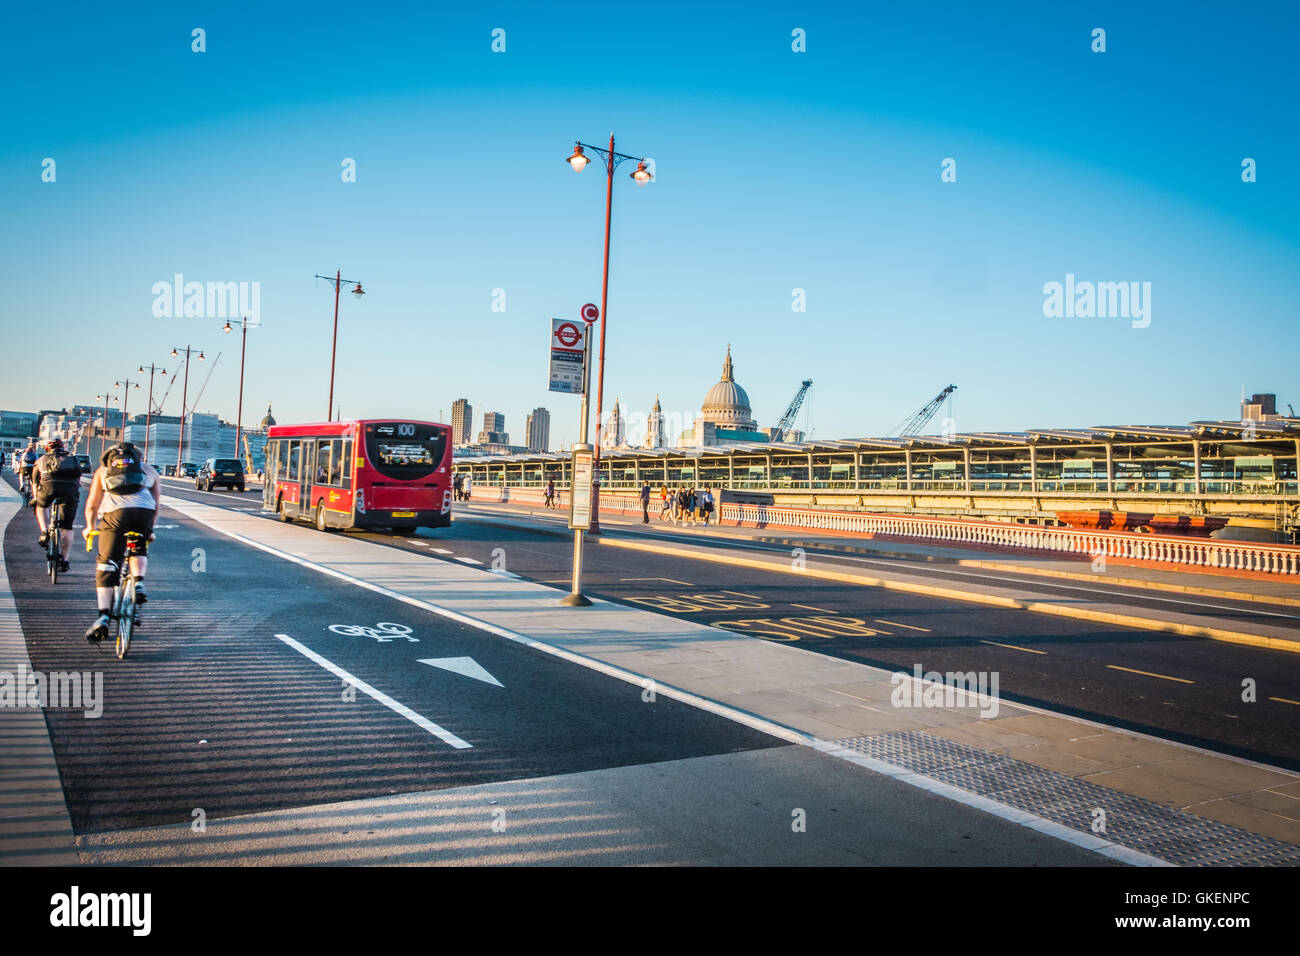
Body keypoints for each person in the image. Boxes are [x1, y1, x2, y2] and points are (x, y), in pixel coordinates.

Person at [82, 442, 160, 644]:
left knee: (107, 563)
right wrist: (150, 530)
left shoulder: (103, 470)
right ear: (137, 457)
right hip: (143, 514)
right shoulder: (148, 470)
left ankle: (104, 616)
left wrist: (90, 527)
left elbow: (92, 504)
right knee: (138, 546)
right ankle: (139, 582)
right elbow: (156, 502)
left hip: (115, 516)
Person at [32, 439, 81, 572]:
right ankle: (64, 561)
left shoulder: (41, 459)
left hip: (48, 488)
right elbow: (78, 479)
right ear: (63, 448)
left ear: (48, 449)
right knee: (67, 527)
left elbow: (35, 482)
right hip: (69, 491)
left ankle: (45, 532)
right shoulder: (72, 459)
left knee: (41, 506)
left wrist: (36, 498)